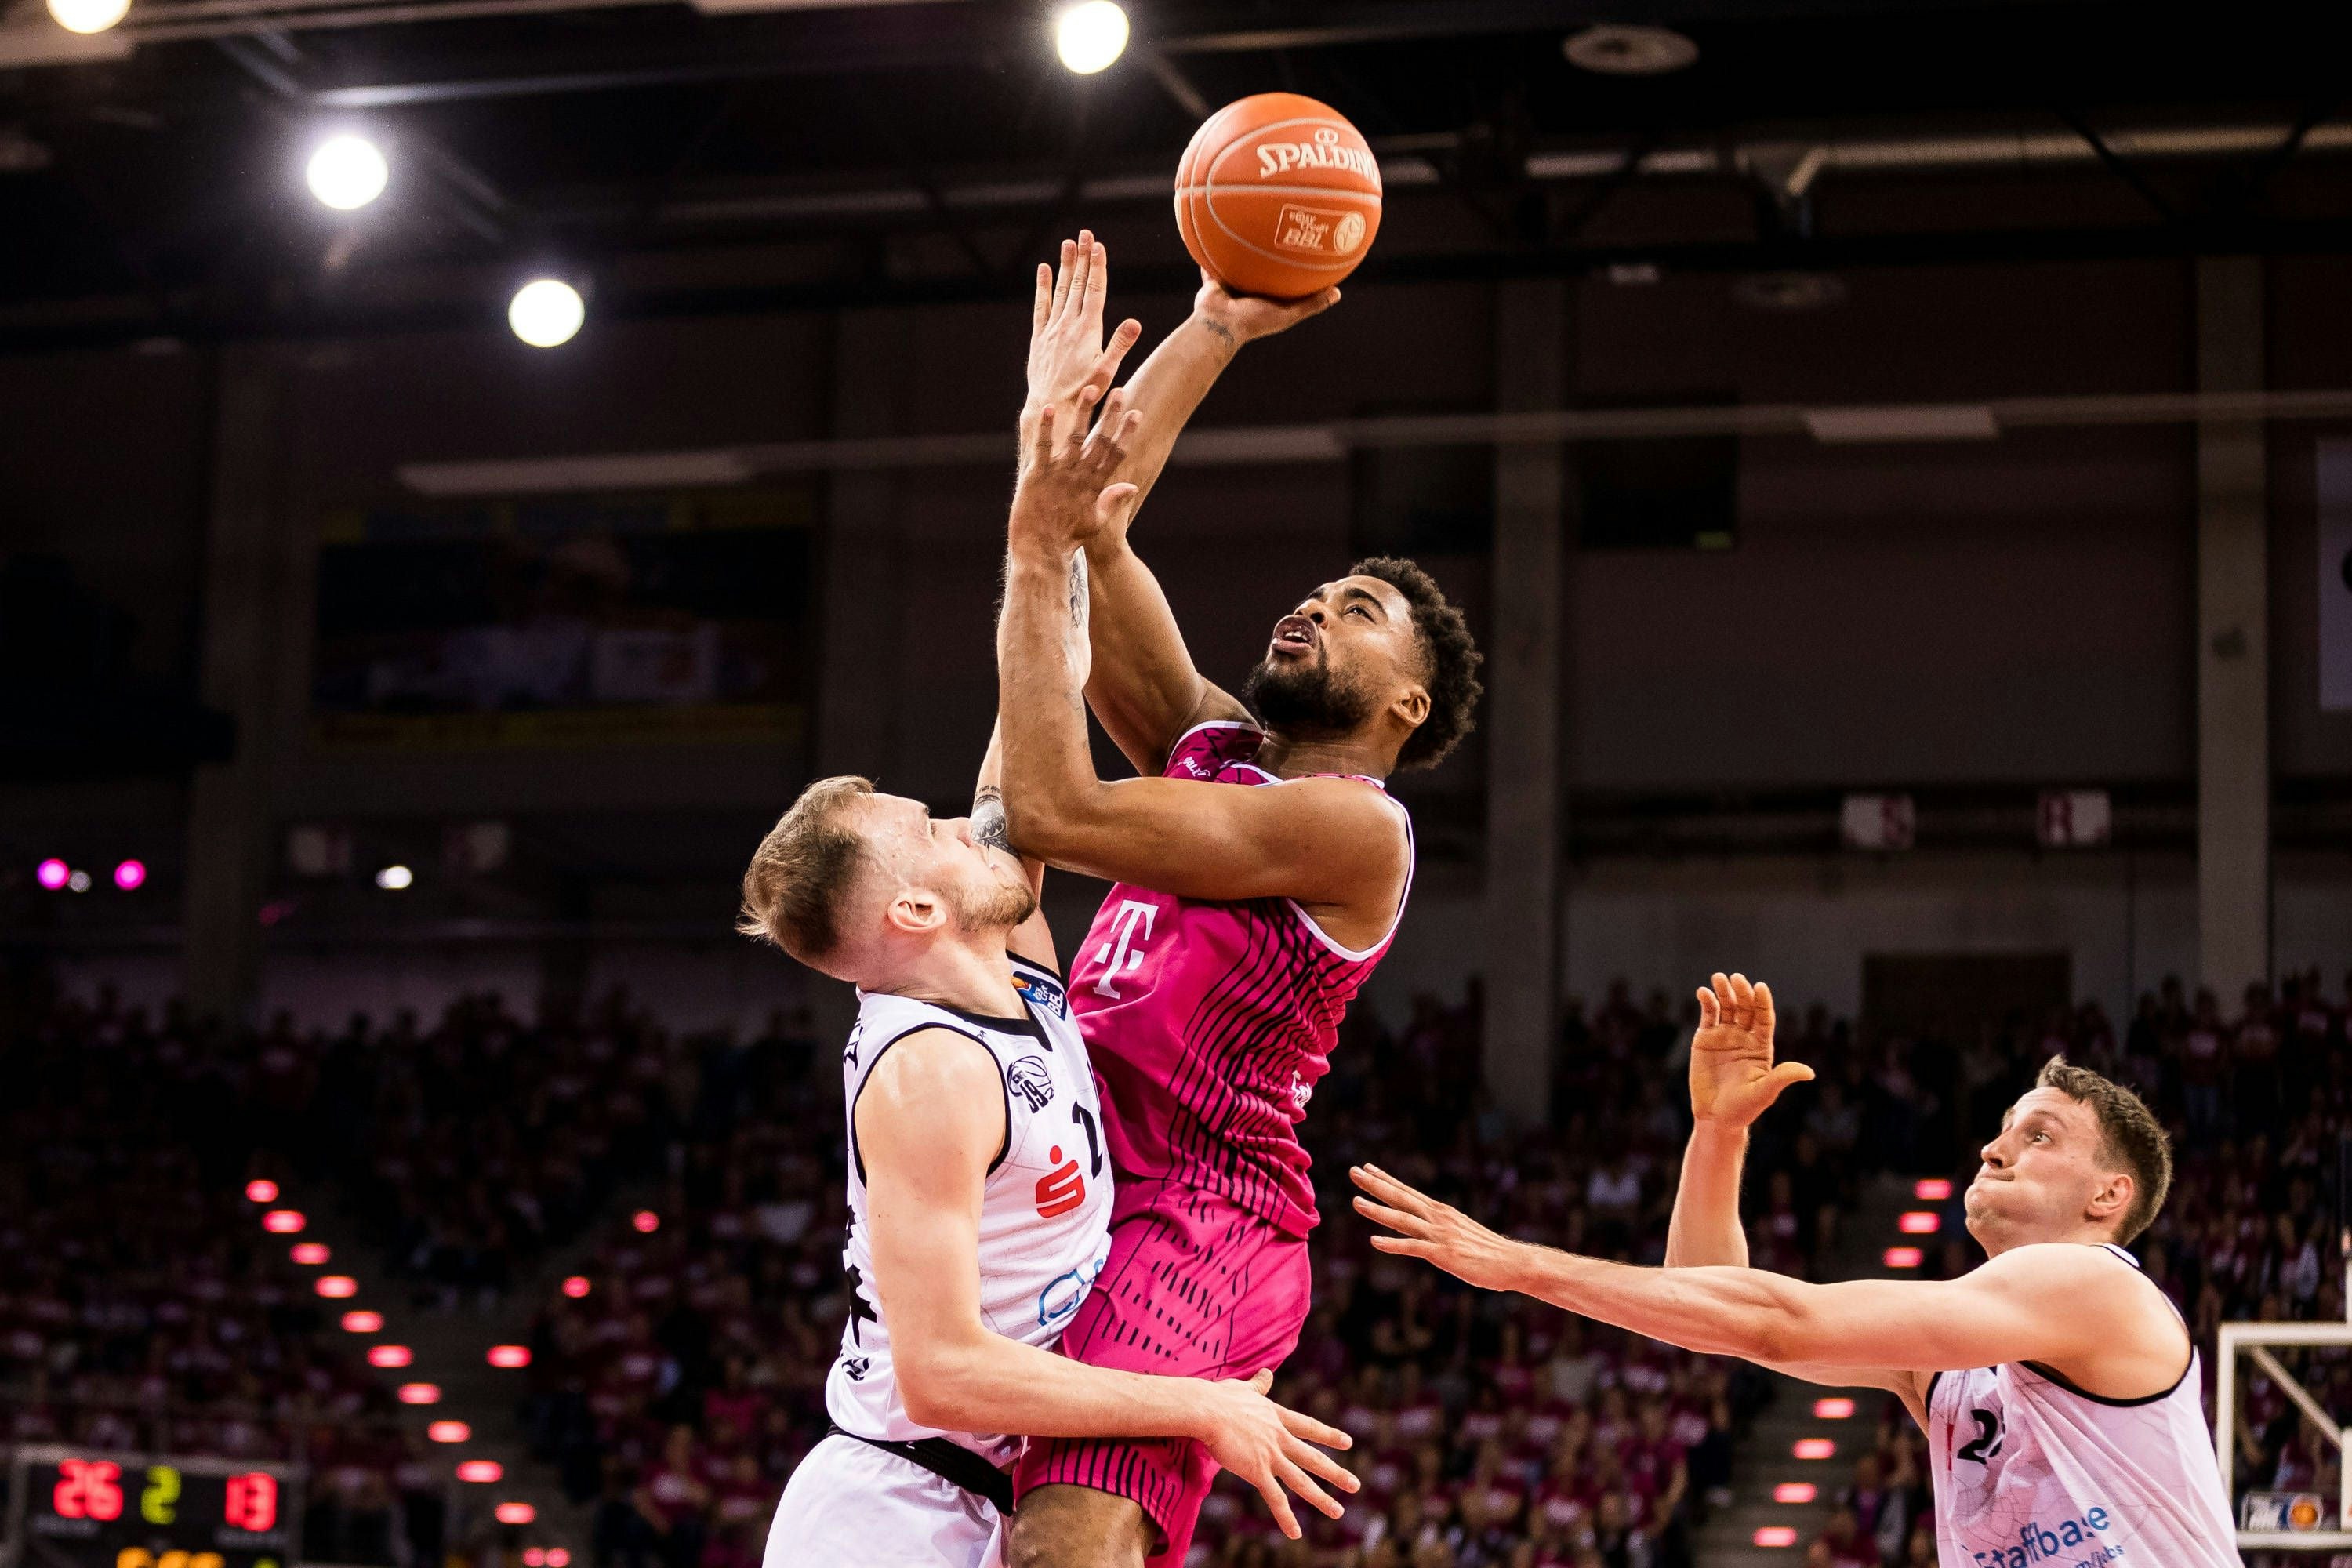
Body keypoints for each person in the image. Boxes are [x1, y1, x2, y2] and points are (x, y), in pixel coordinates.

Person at [994, 234, 1485, 1568]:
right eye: (1320, 590)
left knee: (1059, 1546)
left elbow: (1052, 815)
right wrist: (1212, 325)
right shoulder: (1211, 745)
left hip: (1200, 1211)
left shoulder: (1353, 833)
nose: (1317, 603)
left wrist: (1039, 552)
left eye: (1360, 608)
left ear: (1406, 704)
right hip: (1070, 1165)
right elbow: (1098, 520)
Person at [1352, 971, 2240, 1568]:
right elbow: (1717, 1316)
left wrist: (1522, 1265)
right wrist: (1719, 1134)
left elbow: (1783, 1320)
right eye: (2004, 1125)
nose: (1996, 1146)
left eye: (2038, 1134)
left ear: (2108, 1195)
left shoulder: (2099, 1286)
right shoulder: (1956, 1368)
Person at [738, 717, 1352, 1566]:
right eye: (931, 830)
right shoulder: (931, 1072)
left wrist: (1061, 580)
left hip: (980, 1490)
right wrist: (1200, 1406)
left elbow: (1017, 750)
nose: (963, 824)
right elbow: (941, 1370)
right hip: (890, 1510)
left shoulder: (1005, 956)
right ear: (917, 909)